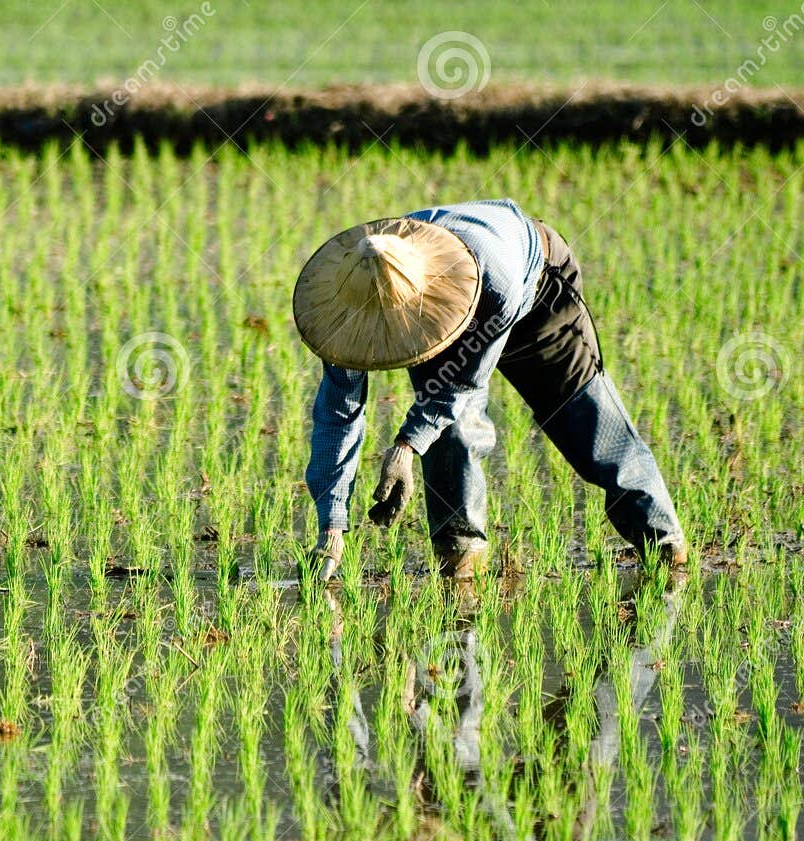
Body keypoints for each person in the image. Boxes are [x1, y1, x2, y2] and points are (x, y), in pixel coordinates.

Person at [292, 199, 687, 579]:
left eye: (394, 325)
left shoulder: (495, 280)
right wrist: (332, 525)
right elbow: (337, 414)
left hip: (534, 287)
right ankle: (460, 563)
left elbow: (463, 382)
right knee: (450, 429)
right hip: (437, 302)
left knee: (579, 415)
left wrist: (406, 446)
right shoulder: (345, 312)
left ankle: (664, 543)